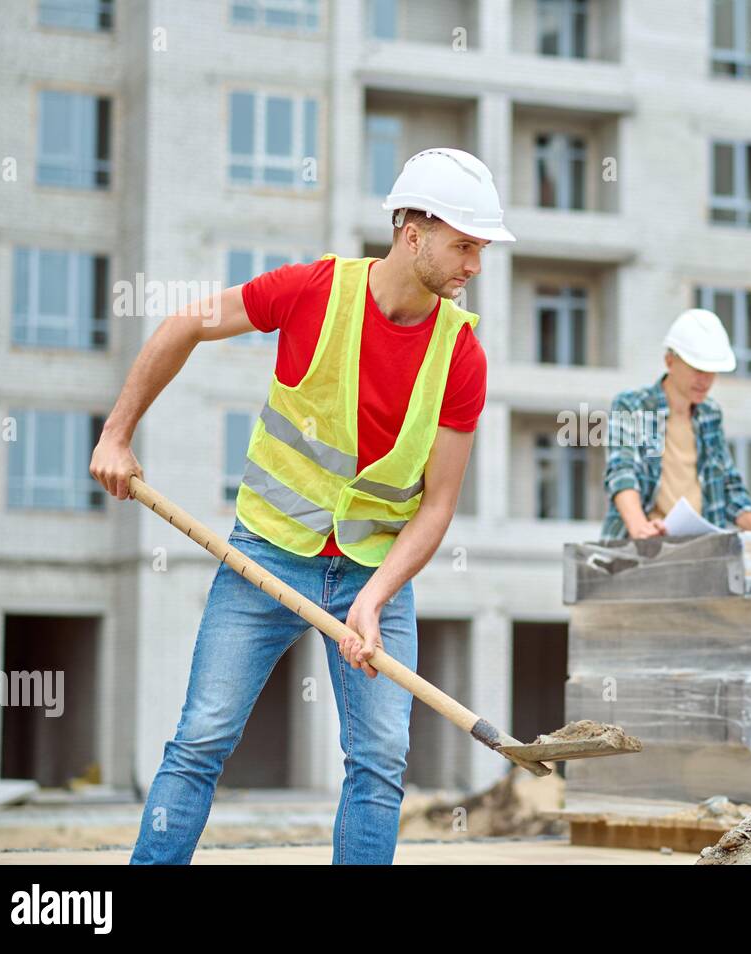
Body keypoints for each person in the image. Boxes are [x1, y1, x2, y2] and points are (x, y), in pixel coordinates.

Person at [89, 147, 514, 864]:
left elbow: (436, 507)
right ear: (415, 231)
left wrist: (376, 597)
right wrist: (117, 432)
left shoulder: (461, 355)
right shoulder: (314, 291)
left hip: (373, 569)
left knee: (379, 764)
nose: (476, 265)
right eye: (465, 245)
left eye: (481, 249)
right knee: (202, 738)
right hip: (264, 553)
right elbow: (189, 323)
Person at [601, 308, 751, 540]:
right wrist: (639, 528)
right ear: (670, 361)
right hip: (646, 547)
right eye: (698, 370)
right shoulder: (633, 406)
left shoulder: (710, 414)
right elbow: (622, 471)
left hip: (700, 550)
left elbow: (729, 485)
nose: (705, 380)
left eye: (711, 371)